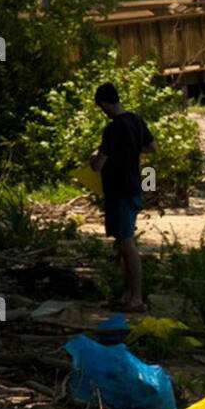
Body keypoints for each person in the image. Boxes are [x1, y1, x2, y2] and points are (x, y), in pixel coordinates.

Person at [90, 82, 155, 312]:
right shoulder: (136, 120)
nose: (103, 111)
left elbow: (98, 165)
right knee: (122, 242)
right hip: (135, 188)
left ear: (105, 104)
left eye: (101, 107)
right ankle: (127, 295)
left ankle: (136, 298)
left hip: (120, 191)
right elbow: (152, 147)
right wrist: (131, 150)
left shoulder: (113, 128)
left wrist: (94, 156)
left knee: (127, 243)